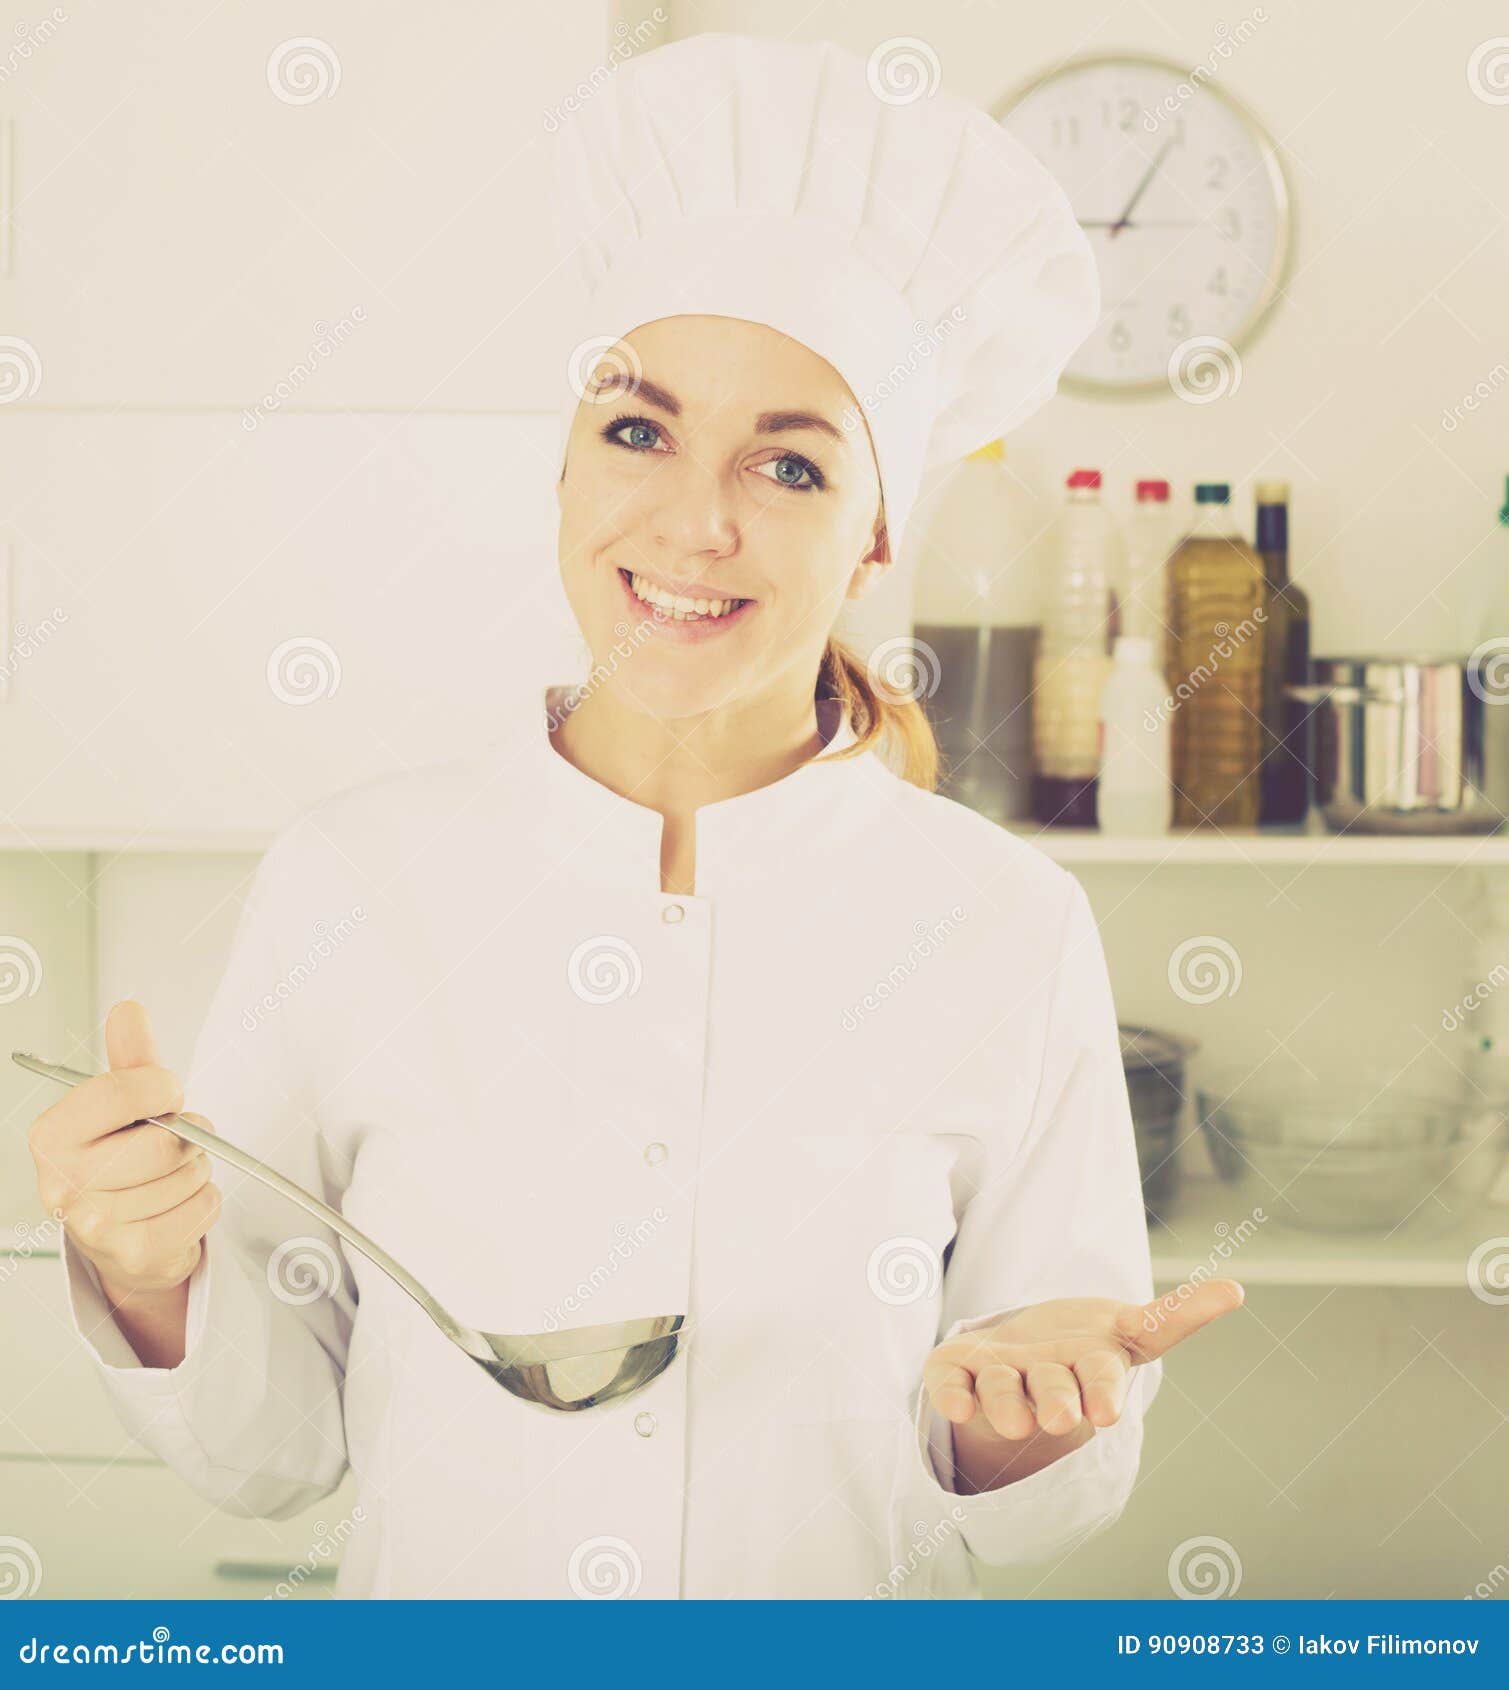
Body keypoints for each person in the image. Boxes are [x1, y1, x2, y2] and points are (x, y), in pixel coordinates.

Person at [25, 32, 1242, 1599]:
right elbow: (276, 1448)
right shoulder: (352, 879)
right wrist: (151, 1267)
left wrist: (1022, 1423)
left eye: (789, 466)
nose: (695, 520)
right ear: (563, 468)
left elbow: (1042, 1468)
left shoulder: (1000, 922)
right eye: (637, 428)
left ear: (873, 537)